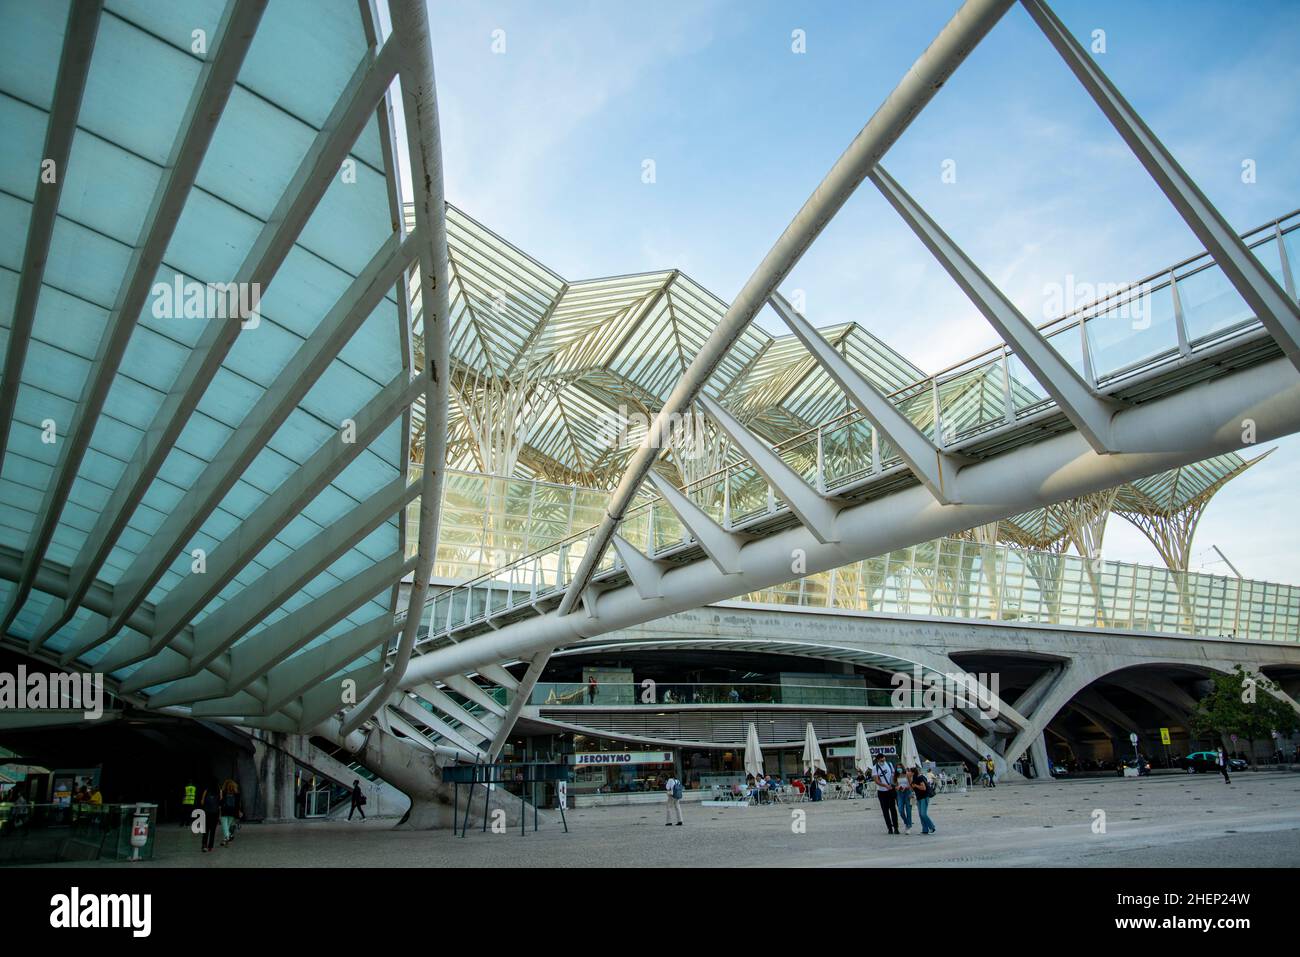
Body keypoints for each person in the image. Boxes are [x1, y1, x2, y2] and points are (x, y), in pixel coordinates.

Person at [871, 753, 899, 835]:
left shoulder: (890, 764)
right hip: (882, 792)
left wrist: (894, 784)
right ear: (877, 760)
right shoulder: (875, 768)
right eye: (881, 760)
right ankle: (889, 828)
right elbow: (876, 780)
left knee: (893, 809)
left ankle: (896, 828)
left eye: (883, 760)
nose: (882, 761)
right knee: (885, 811)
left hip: (891, 790)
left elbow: (893, 775)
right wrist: (885, 785)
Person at [912, 765, 937, 835]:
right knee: (920, 814)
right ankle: (925, 829)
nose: (908, 773)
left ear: (913, 773)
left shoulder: (920, 778)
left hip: (924, 797)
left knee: (923, 814)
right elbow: (912, 788)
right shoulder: (914, 779)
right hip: (919, 798)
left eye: (910, 772)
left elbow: (923, 788)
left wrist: (916, 786)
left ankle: (932, 827)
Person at [198, 780, 220, 853]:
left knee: (205, 830)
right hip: (215, 813)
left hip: (206, 813)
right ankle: (210, 846)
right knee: (213, 831)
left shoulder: (206, 791)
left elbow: (202, 802)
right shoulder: (218, 791)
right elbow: (221, 801)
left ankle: (204, 846)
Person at [219, 779, 243, 846]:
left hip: (224, 811)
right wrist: (239, 812)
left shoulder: (223, 792)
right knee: (227, 826)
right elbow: (238, 804)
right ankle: (227, 838)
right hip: (233, 812)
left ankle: (227, 837)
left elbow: (220, 803)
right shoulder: (237, 794)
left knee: (225, 826)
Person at [894, 765, 914, 834]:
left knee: (908, 811)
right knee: (900, 810)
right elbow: (895, 786)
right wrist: (898, 787)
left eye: (900, 767)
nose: (899, 769)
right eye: (897, 768)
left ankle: (908, 827)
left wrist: (906, 787)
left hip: (908, 793)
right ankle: (906, 822)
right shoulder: (896, 776)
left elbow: (911, 784)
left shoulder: (907, 774)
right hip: (899, 794)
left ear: (902, 768)